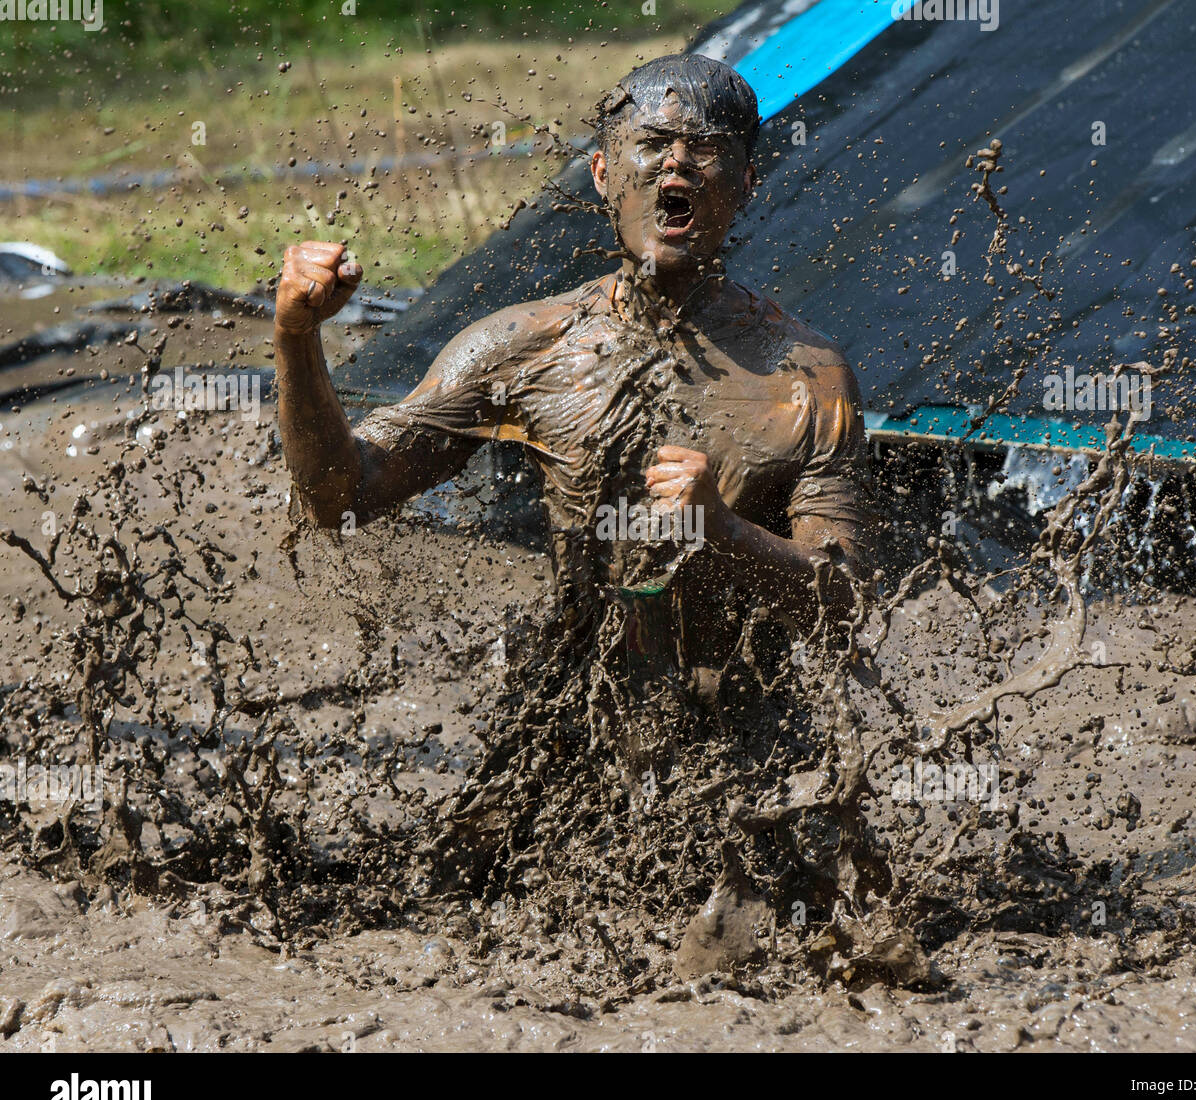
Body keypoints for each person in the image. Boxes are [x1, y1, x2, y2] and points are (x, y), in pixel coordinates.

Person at [274, 53, 877, 706]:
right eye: (650, 144)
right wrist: (297, 339)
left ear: (747, 181)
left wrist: (726, 534)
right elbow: (340, 497)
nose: (675, 164)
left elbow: (845, 606)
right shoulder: (522, 351)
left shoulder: (806, 379)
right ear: (602, 174)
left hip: (744, 744)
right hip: (571, 726)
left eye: (704, 147)